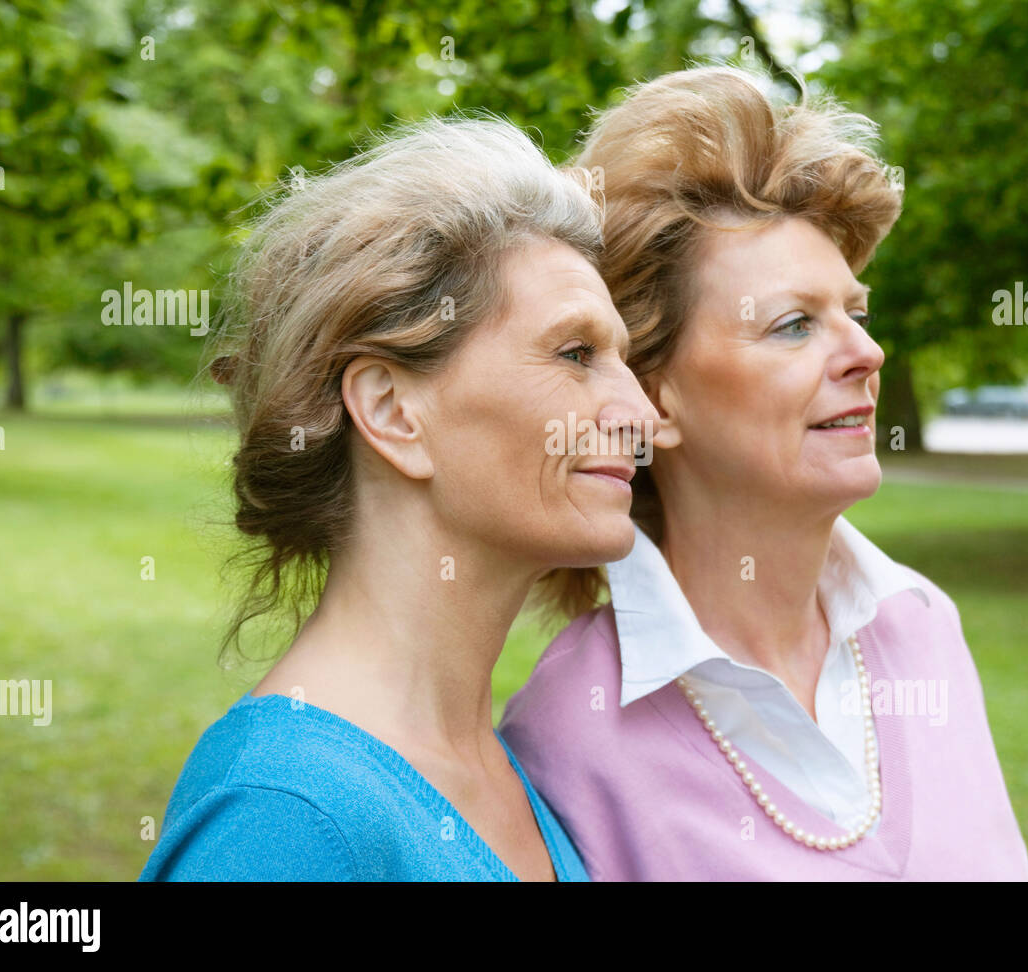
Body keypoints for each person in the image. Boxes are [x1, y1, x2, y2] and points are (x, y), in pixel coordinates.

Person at [502, 67, 1028, 880]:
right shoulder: (570, 730)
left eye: (854, 313)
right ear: (653, 400)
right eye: (794, 326)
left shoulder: (924, 625)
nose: (867, 353)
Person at [140, 116, 657, 881]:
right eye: (575, 354)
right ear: (390, 411)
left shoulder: (501, 768)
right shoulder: (283, 821)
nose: (643, 418)